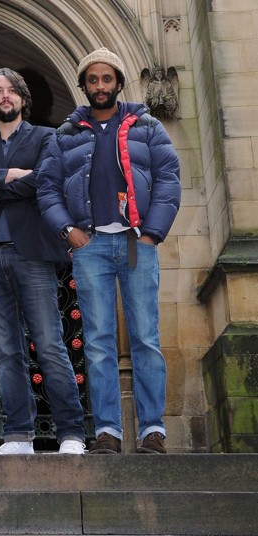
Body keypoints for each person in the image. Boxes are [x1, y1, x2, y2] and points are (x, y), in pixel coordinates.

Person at [37, 49, 180, 455]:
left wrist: (152, 233)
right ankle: (107, 432)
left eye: (106, 78)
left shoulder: (147, 126)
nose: (100, 86)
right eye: (93, 80)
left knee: (145, 337)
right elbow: (47, 187)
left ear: (118, 82)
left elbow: (169, 177)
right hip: (90, 246)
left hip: (137, 243)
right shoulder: (65, 134)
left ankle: (152, 430)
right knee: (98, 342)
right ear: (83, 86)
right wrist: (68, 230)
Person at [0, 68, 86, 455]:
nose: (5, 96)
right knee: (6, 351)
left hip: (32, 253)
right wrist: (11, 175)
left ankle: (72, 433)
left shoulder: (46, 137)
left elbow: (45, 180)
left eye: (11, 90)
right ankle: (18, 434)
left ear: (22, 98)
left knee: (49, 344)